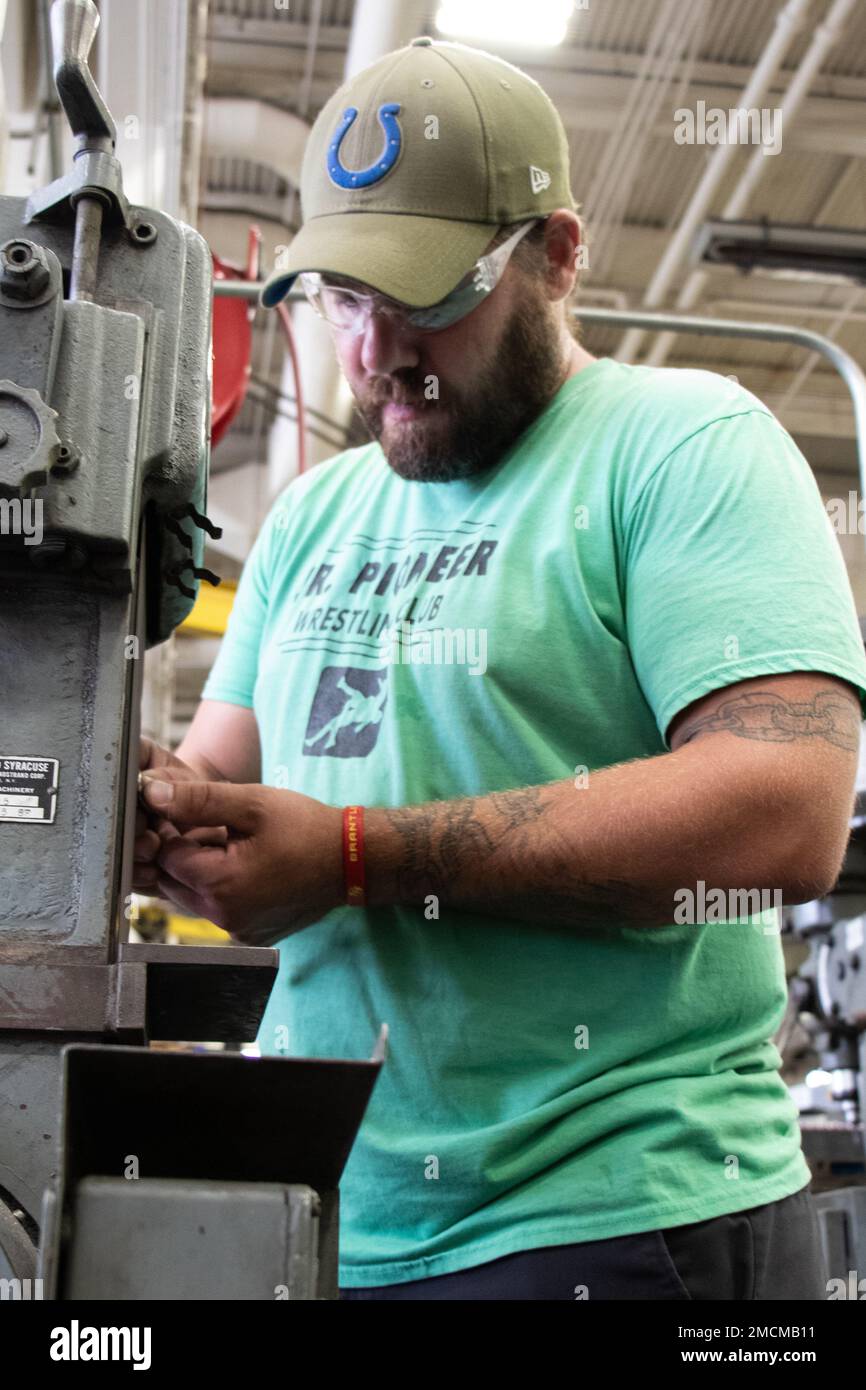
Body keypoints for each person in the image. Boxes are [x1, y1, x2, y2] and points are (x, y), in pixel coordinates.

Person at [134, 38, 866, 1300]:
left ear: (557, 255)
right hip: (334, 1221)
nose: (373, 355)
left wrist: (358, 852)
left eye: (427, 301)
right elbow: (220, 775)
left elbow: (782, 809)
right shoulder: (316, 518)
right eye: (348, 300)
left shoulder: (684, 449)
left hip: (619, 1218)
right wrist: (149, 810)